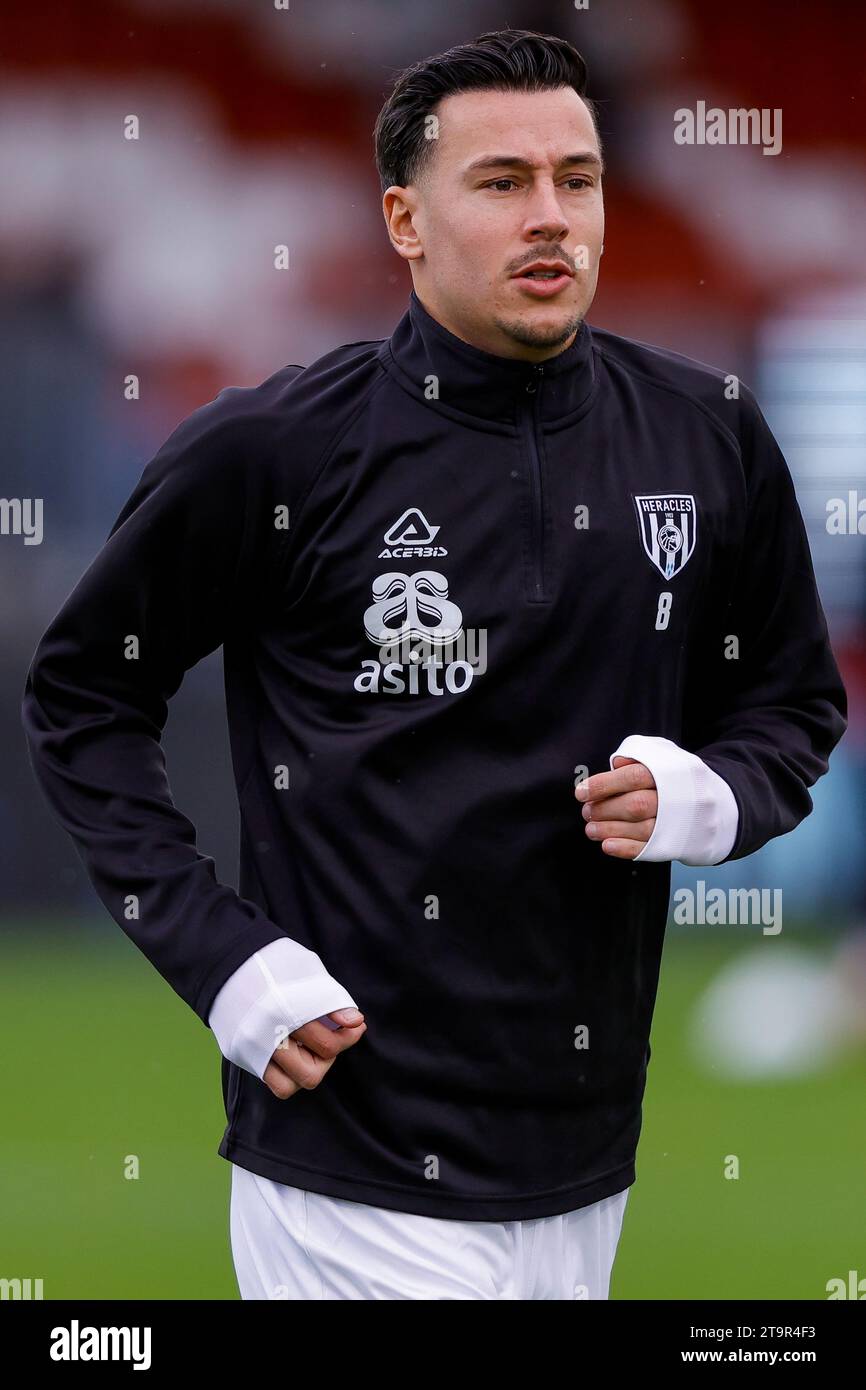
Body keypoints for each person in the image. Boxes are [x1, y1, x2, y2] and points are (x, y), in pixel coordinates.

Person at [21, 28, 847, 1300]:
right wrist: (217, 953)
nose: (549, 216)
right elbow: (82, 694)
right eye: (501, 181)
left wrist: (710, 797)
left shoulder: (707, 435)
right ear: (405, 221)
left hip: (584, 1162)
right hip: (346, 1163)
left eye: (576, 180)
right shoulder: (275, 450)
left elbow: (788, 701)